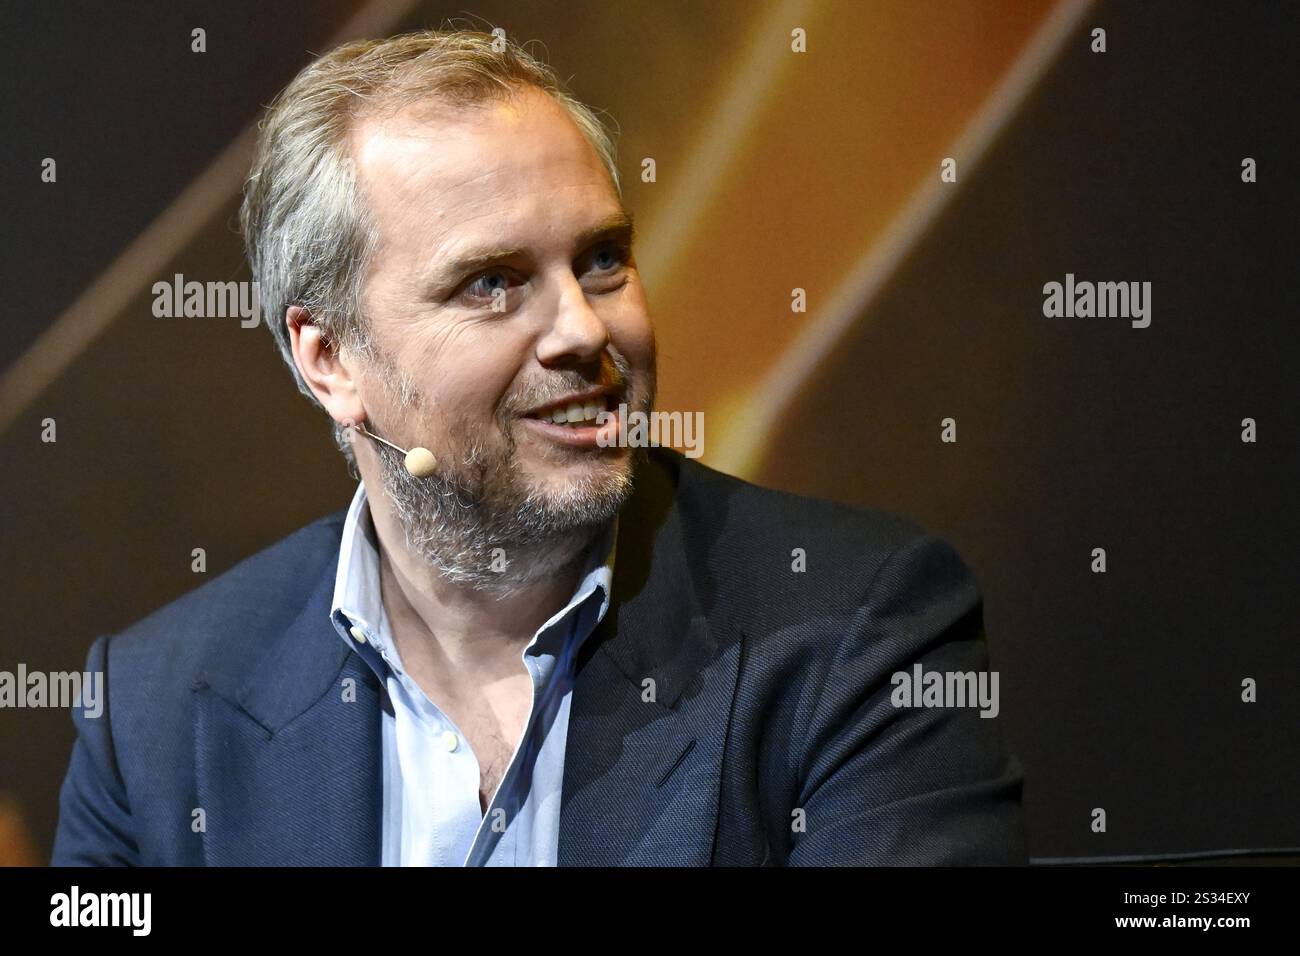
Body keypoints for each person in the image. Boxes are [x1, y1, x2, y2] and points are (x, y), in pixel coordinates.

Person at [52, 29, 1026, 866]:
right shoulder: (155, 711)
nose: (580, 329)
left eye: (601, 260)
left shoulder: (856, 626)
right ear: (330, 357)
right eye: (491, 282)